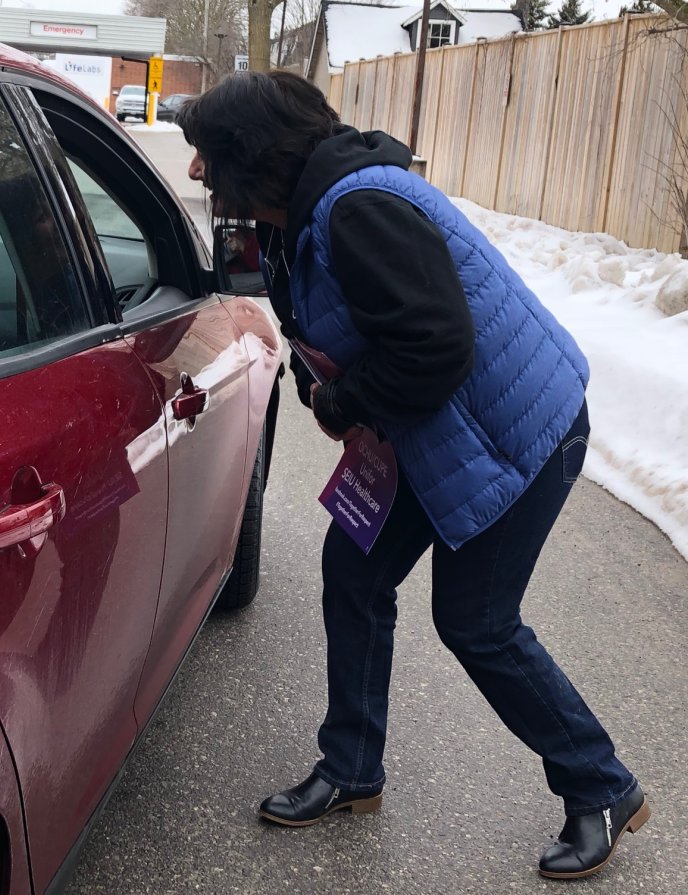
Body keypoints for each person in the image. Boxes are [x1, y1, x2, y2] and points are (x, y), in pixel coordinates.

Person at [179, 71, 647, 880]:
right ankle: (353, 767)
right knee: (353, 569)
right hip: (437, 434)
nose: (195, 174)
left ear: (252, 156)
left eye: (207, 156)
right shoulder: (301, 216)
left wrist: (344, 398)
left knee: (477, 620)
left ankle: (600, 783)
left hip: (520, 436)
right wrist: (325, 388)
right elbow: (330, 322)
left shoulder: (359, 210)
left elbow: (435, 347)